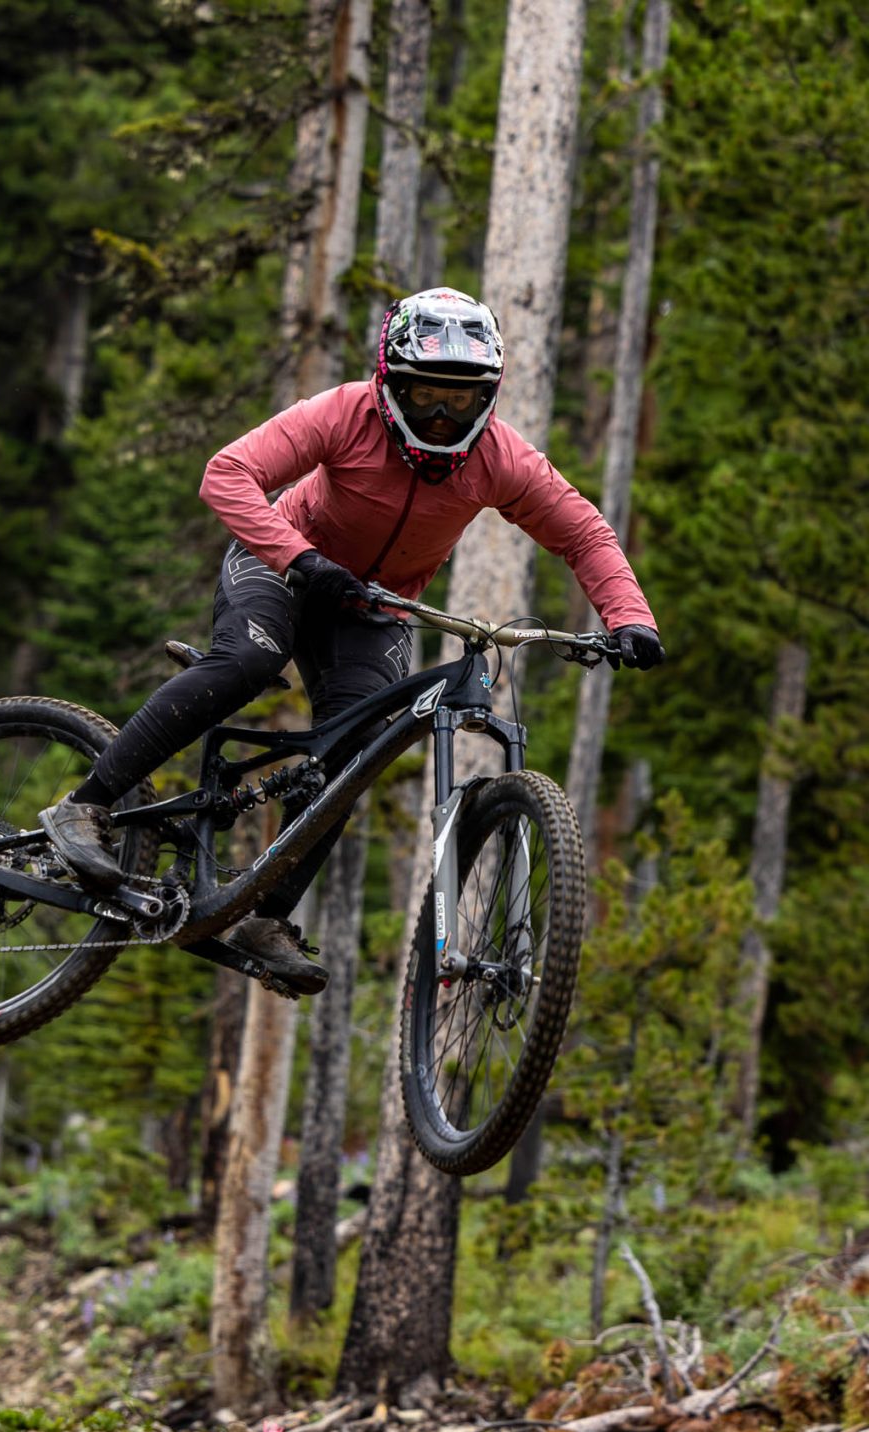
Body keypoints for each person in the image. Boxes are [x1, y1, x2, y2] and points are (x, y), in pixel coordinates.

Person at [40, 286, 663, 994]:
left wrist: (629, 618)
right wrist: (300, 559)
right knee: (248, 658)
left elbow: (582, 532)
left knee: (357, 749)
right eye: (426, 393)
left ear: (487, 398)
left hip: (374, 607)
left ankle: (264, 916)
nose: (439, 414)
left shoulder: (500, 458)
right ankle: (84, 805)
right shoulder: (345, 412)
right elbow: (229, 474)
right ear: (389, 381)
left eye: (459, 401)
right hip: (285, 564)